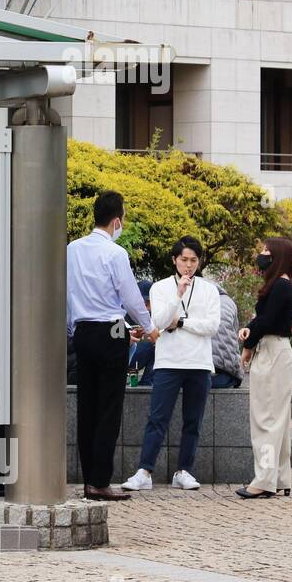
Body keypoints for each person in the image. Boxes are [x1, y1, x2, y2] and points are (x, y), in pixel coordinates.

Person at [67, 191, 157, 500]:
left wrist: (71, 326)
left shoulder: (72, 249)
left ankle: (88, 479)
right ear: (116, 220)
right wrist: (149, 327)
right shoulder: (115, 253)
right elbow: (131, 296)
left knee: (87, 405)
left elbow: (67, 291)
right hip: (112, 331)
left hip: (82, 332)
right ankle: (99, 480)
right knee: (108, 407)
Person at [121, 236, 219, 492]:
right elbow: (160, 321)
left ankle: (184, 471)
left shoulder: (209, 289)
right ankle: (144, 471)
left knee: (192, 421)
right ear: (174, 260)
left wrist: (183, 323)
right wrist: (178, 296)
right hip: (168, 362)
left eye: (193, 260)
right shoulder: (160, 288)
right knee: (157, 418)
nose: (188, 265)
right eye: (184, 259)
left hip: (199, 362)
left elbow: (212, 326)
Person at [237, 237, 292, 499]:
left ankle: (263, 480)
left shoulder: (280, 286)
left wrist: (248, 342)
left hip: (273, 353)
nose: (261, 255)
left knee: (266, 420)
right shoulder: (283, 286)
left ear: (277, 257)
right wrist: (250, 332)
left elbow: (265, 320)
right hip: (277, 351)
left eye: (265, 251)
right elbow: (263, 319)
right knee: (277, 421)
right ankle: (279, 477)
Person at [210, 283, 244, 389]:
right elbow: (234, 334)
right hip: (226, 376)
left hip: (198, 376)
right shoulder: (229, 302)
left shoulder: (191, 300)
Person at [127, 279, 156, 387]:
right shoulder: (125, 311)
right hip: (122, 354)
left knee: (158, 344)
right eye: (143, 302)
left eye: (148, 302)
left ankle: (147, 382)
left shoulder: (156, 314)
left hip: (140, 355)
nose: (145, 305)